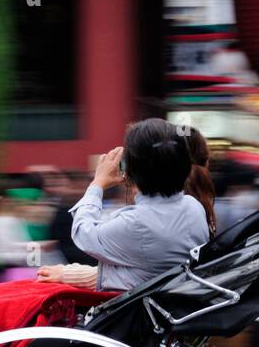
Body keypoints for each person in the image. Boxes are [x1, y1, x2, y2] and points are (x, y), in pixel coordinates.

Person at [39, 118, 209, 290]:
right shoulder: (194, 207)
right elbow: (140, 272)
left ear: (131, 170)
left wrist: (97, 183)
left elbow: (82, 232)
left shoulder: (137, 223)